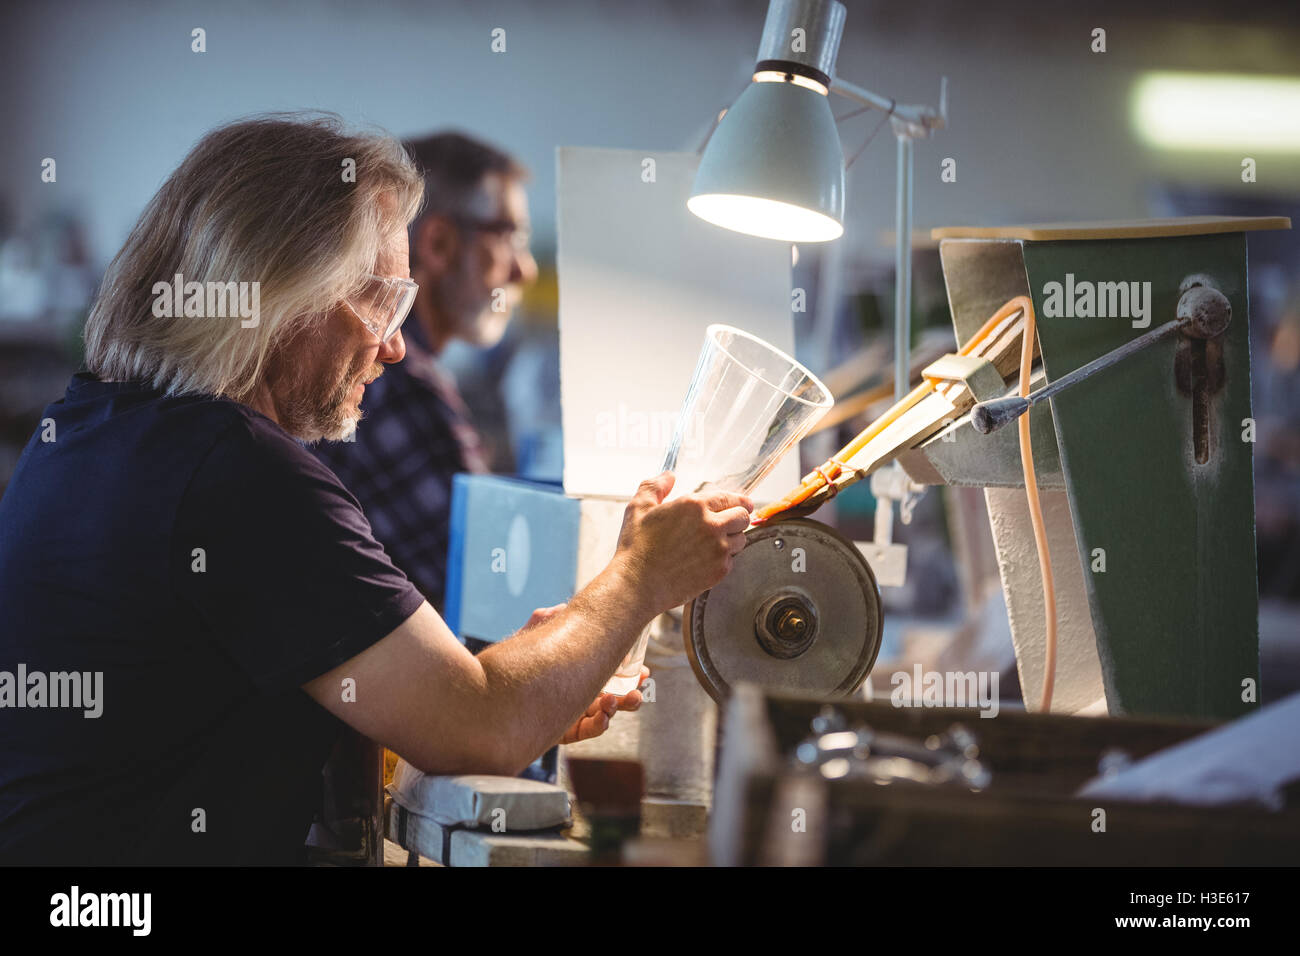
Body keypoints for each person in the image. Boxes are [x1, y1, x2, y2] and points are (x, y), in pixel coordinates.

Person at [0, 113, 752, 865]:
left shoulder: (87, 422)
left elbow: (442, 706)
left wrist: (532, 691)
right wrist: (643, 575)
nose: (395, 343)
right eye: (381, 301)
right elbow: (479, 725)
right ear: (284, 291)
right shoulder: (242, 477)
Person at [312, 132, 538, 614]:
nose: (526, 270)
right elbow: (488, 600)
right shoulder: (400, 381)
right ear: (438, 243)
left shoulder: (404, 370)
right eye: (510, 236)